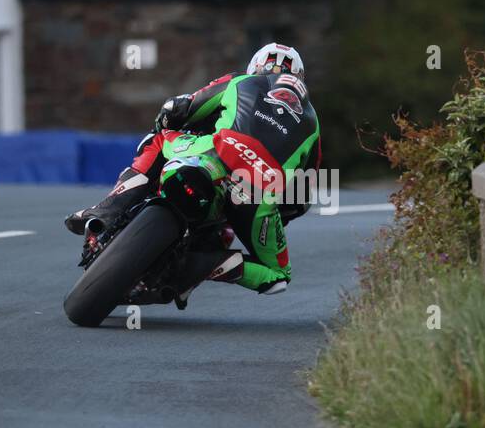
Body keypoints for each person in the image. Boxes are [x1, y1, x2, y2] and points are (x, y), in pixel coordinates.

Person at [65, 42, 321, 297]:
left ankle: (107, 211)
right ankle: (210, 264)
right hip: (257, 196)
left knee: (161, 138)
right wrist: (275, 213)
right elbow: (302, 195)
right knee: (278, 278)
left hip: (214, 155)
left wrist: (164, 121)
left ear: (255, 67)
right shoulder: (313, 124)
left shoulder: (239, 81)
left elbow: (181, 107)